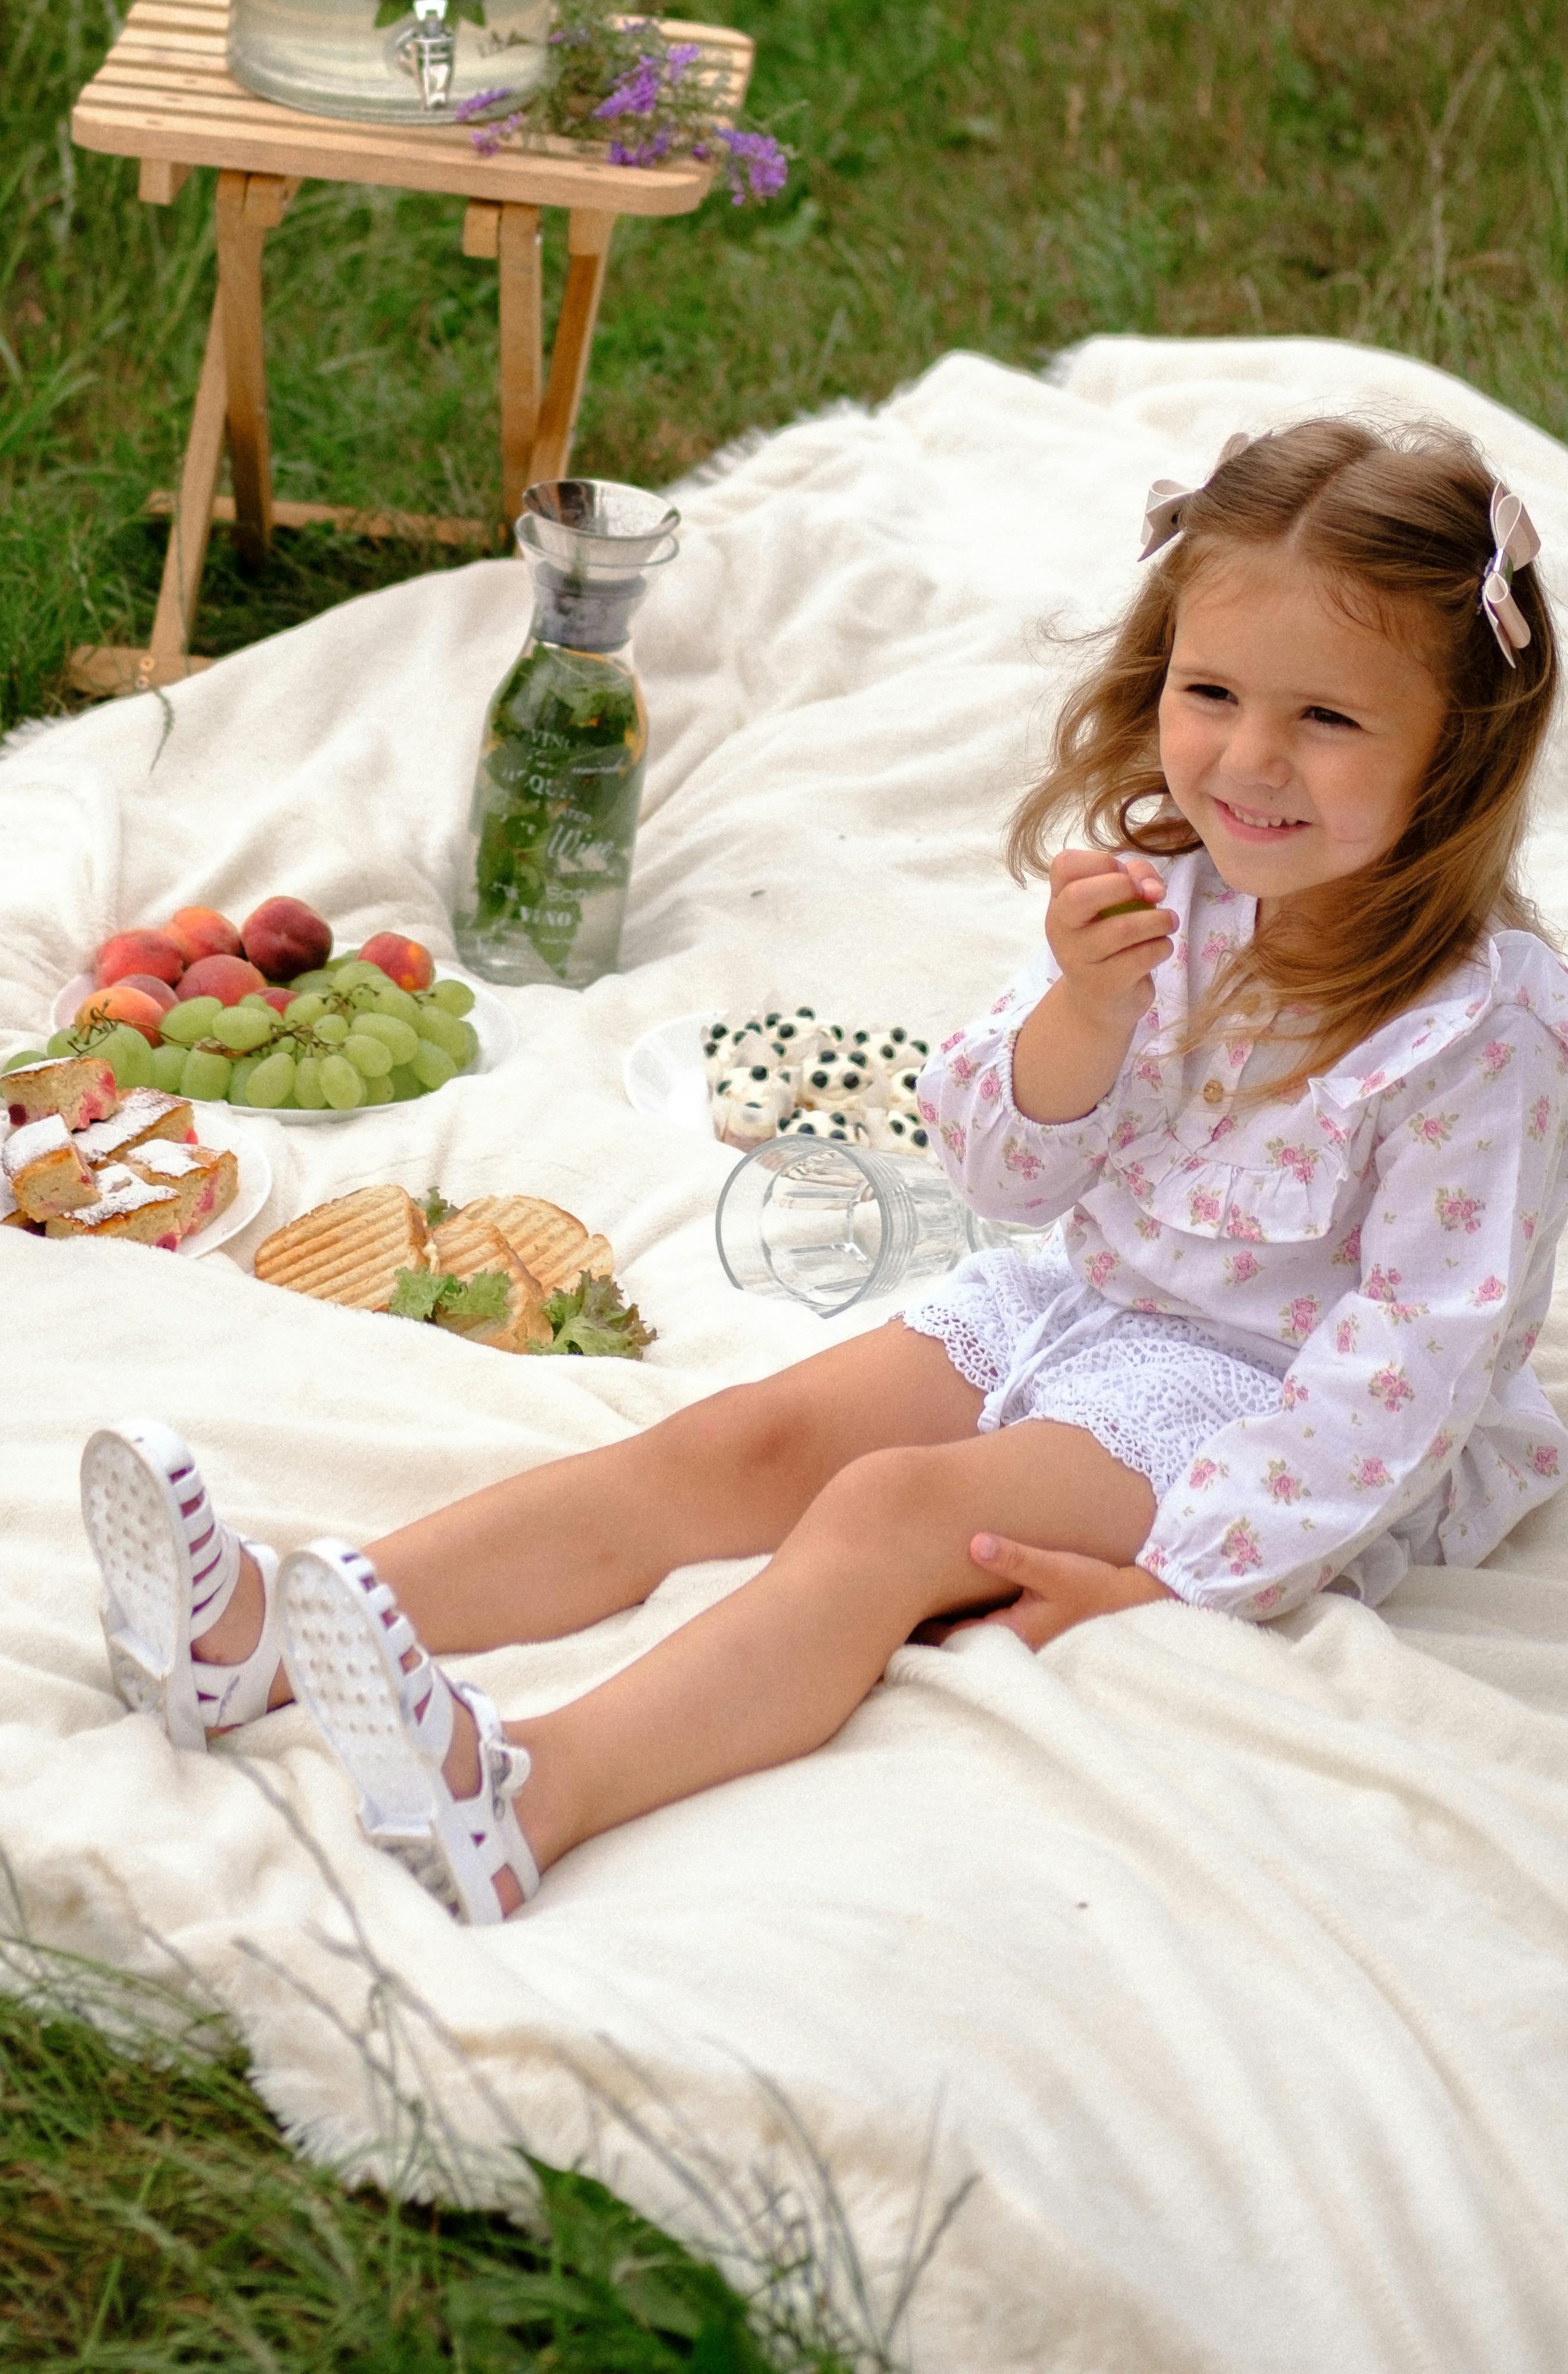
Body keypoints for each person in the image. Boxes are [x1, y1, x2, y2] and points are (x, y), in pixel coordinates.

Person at [80, 419, 1568, 1920]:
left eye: (1326, 720)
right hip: (1079, 1304)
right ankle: (254, 1638)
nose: (1248, 760)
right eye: (1210, 693)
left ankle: (534, 1789)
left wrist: (1190, 1576)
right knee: (746, 1441)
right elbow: (1002, 1171)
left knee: (894, 1514)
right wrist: (1085, 1011)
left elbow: (1411, 1368)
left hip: (1272, 1398)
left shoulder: (1478, 1032)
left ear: (1457, 754)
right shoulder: (1164, 905)